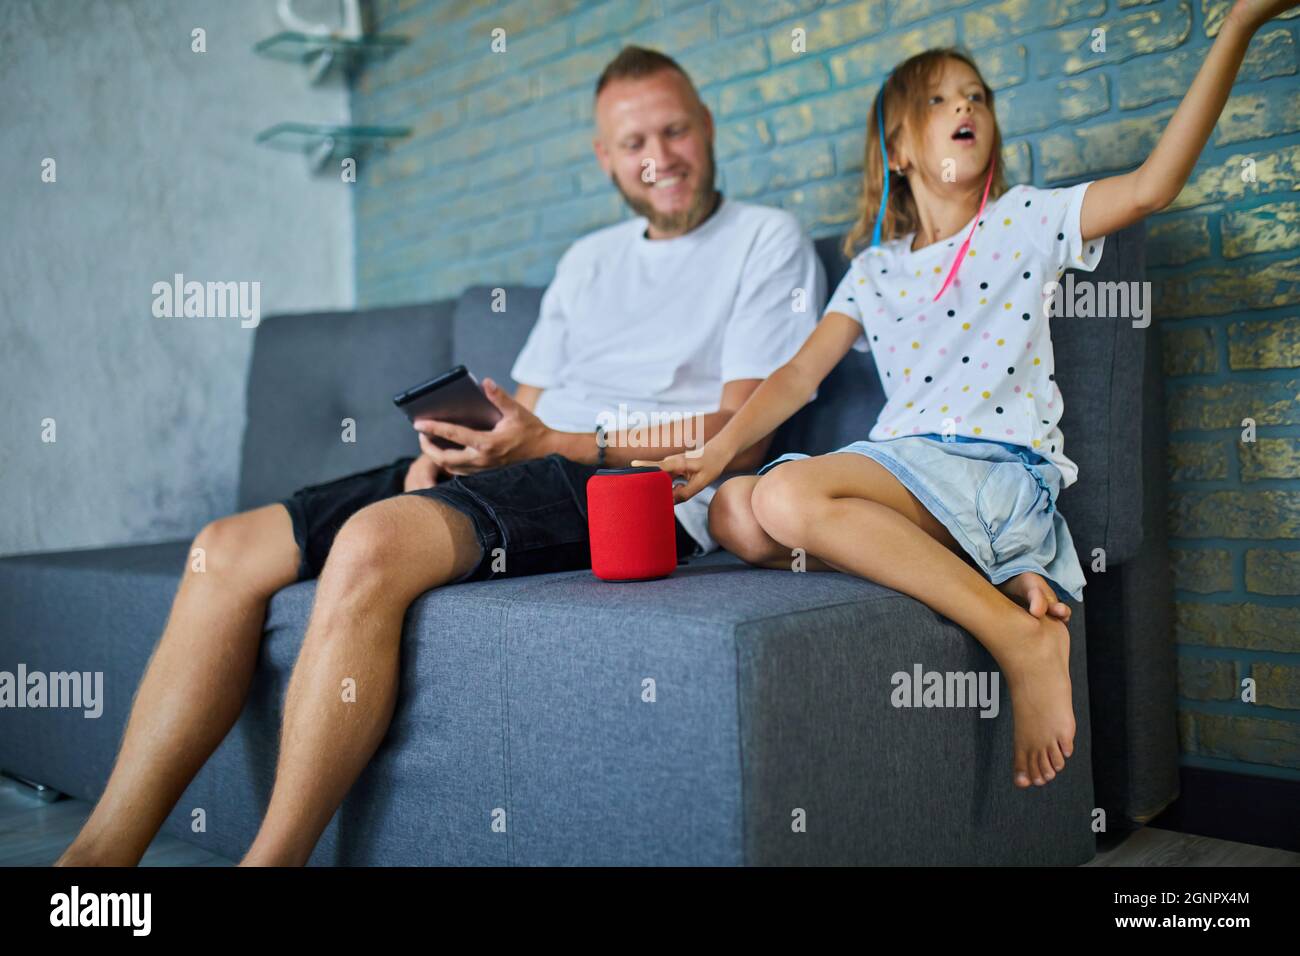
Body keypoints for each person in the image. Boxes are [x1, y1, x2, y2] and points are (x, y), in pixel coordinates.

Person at [54, 45, 824, 867]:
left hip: (634, 487)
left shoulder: (767, 242)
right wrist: (464, 447)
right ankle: (97, 861)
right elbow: (522, 408)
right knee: (221, 550)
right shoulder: (587, 261)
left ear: (707, 125)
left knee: (372, 543)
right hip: (527, 460)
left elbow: (742, 428)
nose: (658, 159)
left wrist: (552, 442)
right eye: (634, 144)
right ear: (604, 157)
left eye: (674, 132)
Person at [632, 0, 1297, 791]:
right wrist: (714, 451)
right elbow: (798, 376)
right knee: (734, 507)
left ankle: (1019, 639)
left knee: (782, 496)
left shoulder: (1025, 220)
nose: (966, 107)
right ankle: (978, 566)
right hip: (908, 469)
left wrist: (1239, 28)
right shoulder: (874, 268)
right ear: (901, 147)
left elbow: (1154, 187)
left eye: (977, 95)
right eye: (941, 99)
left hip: (993, 467)